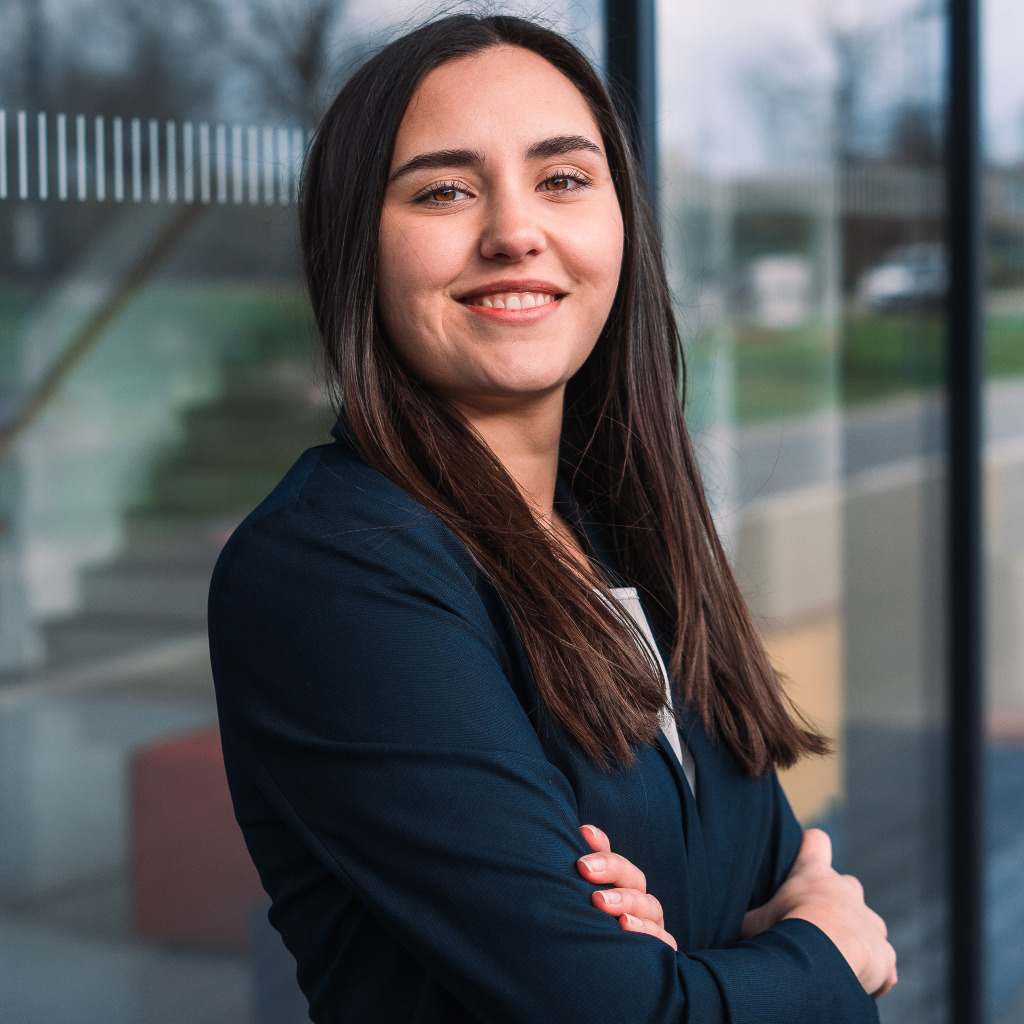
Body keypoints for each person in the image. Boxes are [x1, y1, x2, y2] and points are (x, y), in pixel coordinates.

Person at [207, 13, 896, 1023]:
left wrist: (696, 961)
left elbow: (767, 878)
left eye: (563, 179)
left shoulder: (619, 534)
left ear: (621, 223)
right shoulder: (333, 568)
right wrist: (821, 957)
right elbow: (629, 1005)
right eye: (444, 189)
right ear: (356, 245)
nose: (514, 231)